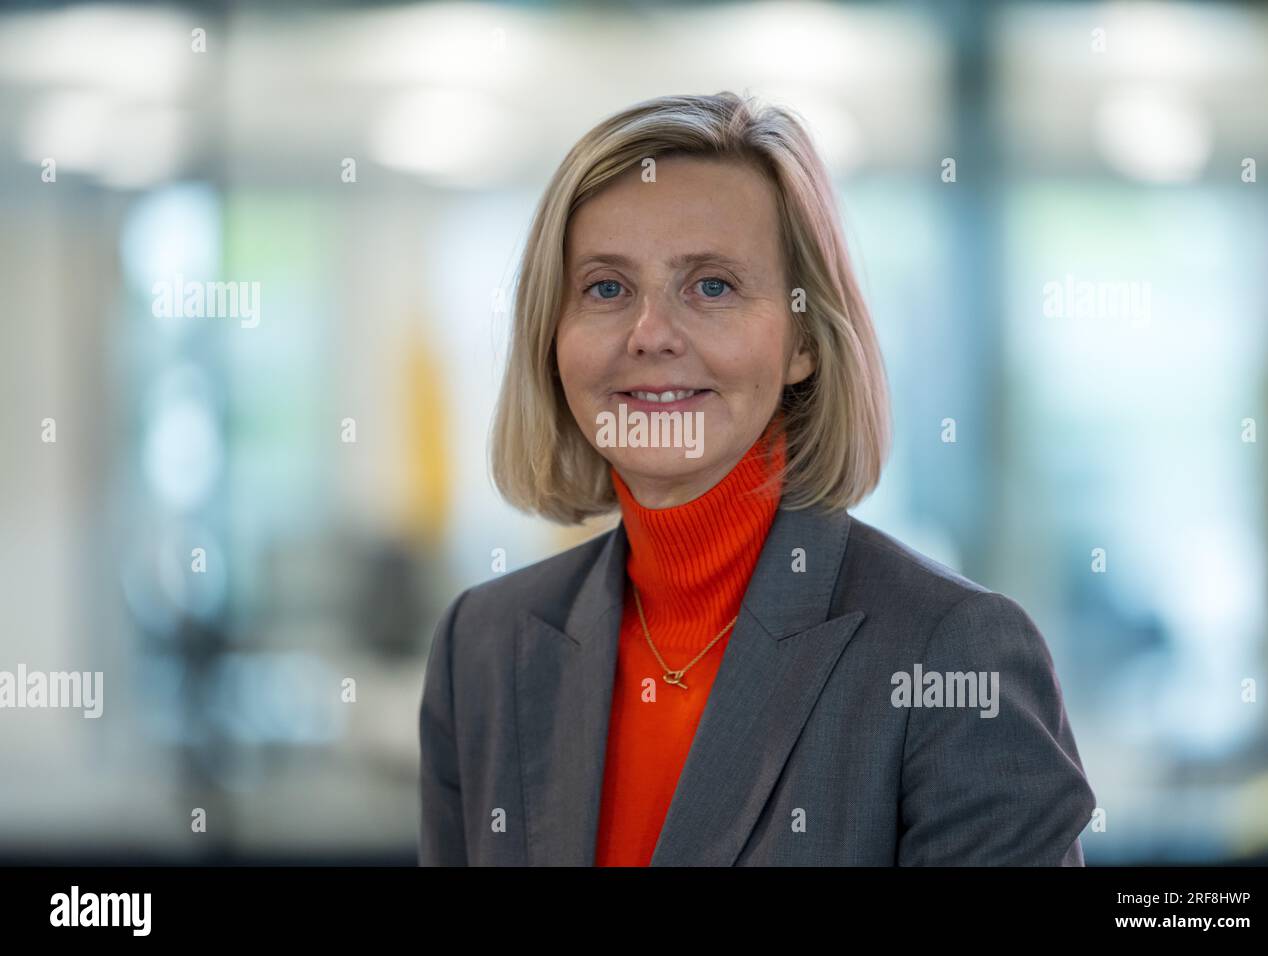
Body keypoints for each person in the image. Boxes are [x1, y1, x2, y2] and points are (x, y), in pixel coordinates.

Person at [419, 91, 1095, 866]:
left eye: (712, 286)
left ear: (803, 342)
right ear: (553, 336)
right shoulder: (482, 646)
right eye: (606, 288)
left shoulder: (949, 652)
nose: (650, 335)